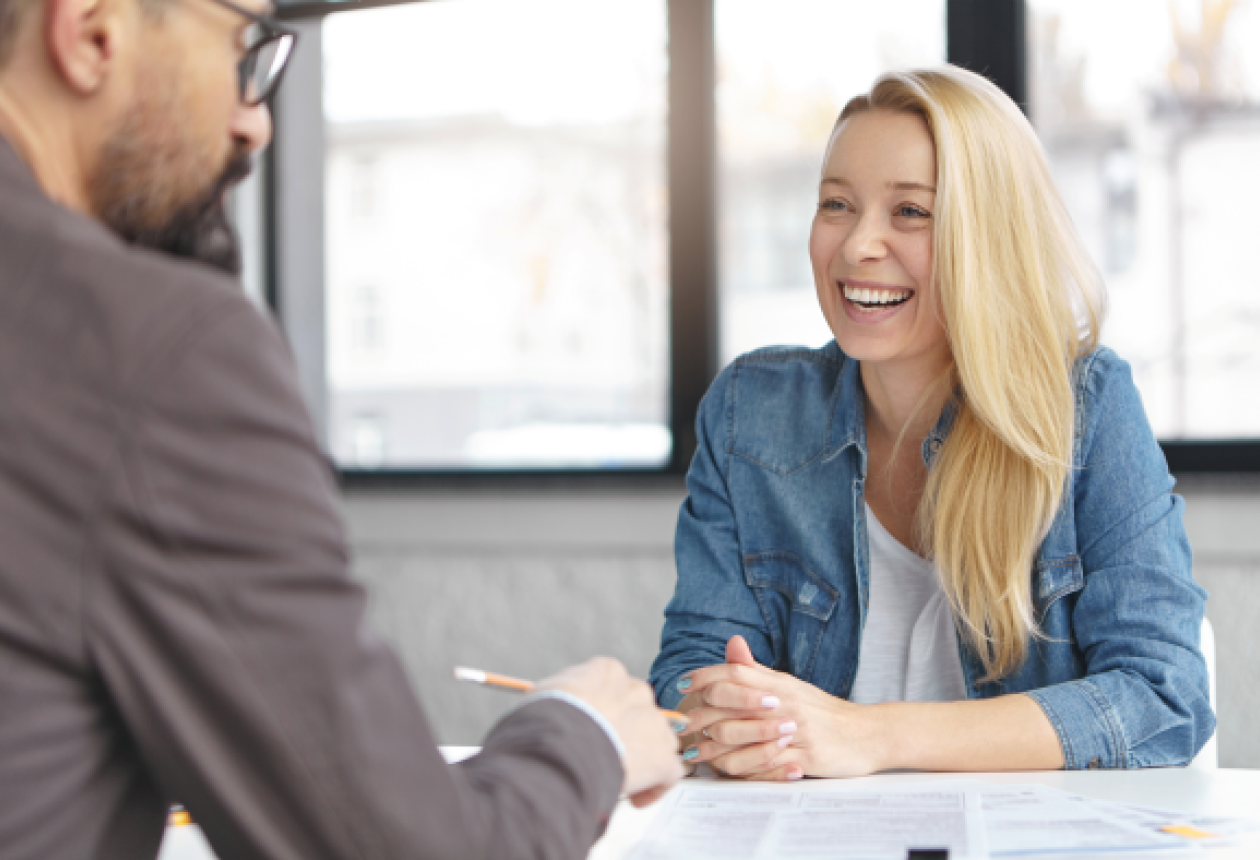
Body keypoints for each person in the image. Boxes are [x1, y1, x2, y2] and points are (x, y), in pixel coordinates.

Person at [0, 0, 682, 856]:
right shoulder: (151, 348)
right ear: (93, 33)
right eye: (244, 48)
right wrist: (587, 730)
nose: (254, 123)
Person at [649, 66, 1215, 780]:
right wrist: (727, 720)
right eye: (837, 205)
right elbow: (687, 683)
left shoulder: (1087, 409)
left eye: (910, 212)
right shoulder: (748, 413)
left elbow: (1164, 698)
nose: (858, 246)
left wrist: (872, 736)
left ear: (988, 235)